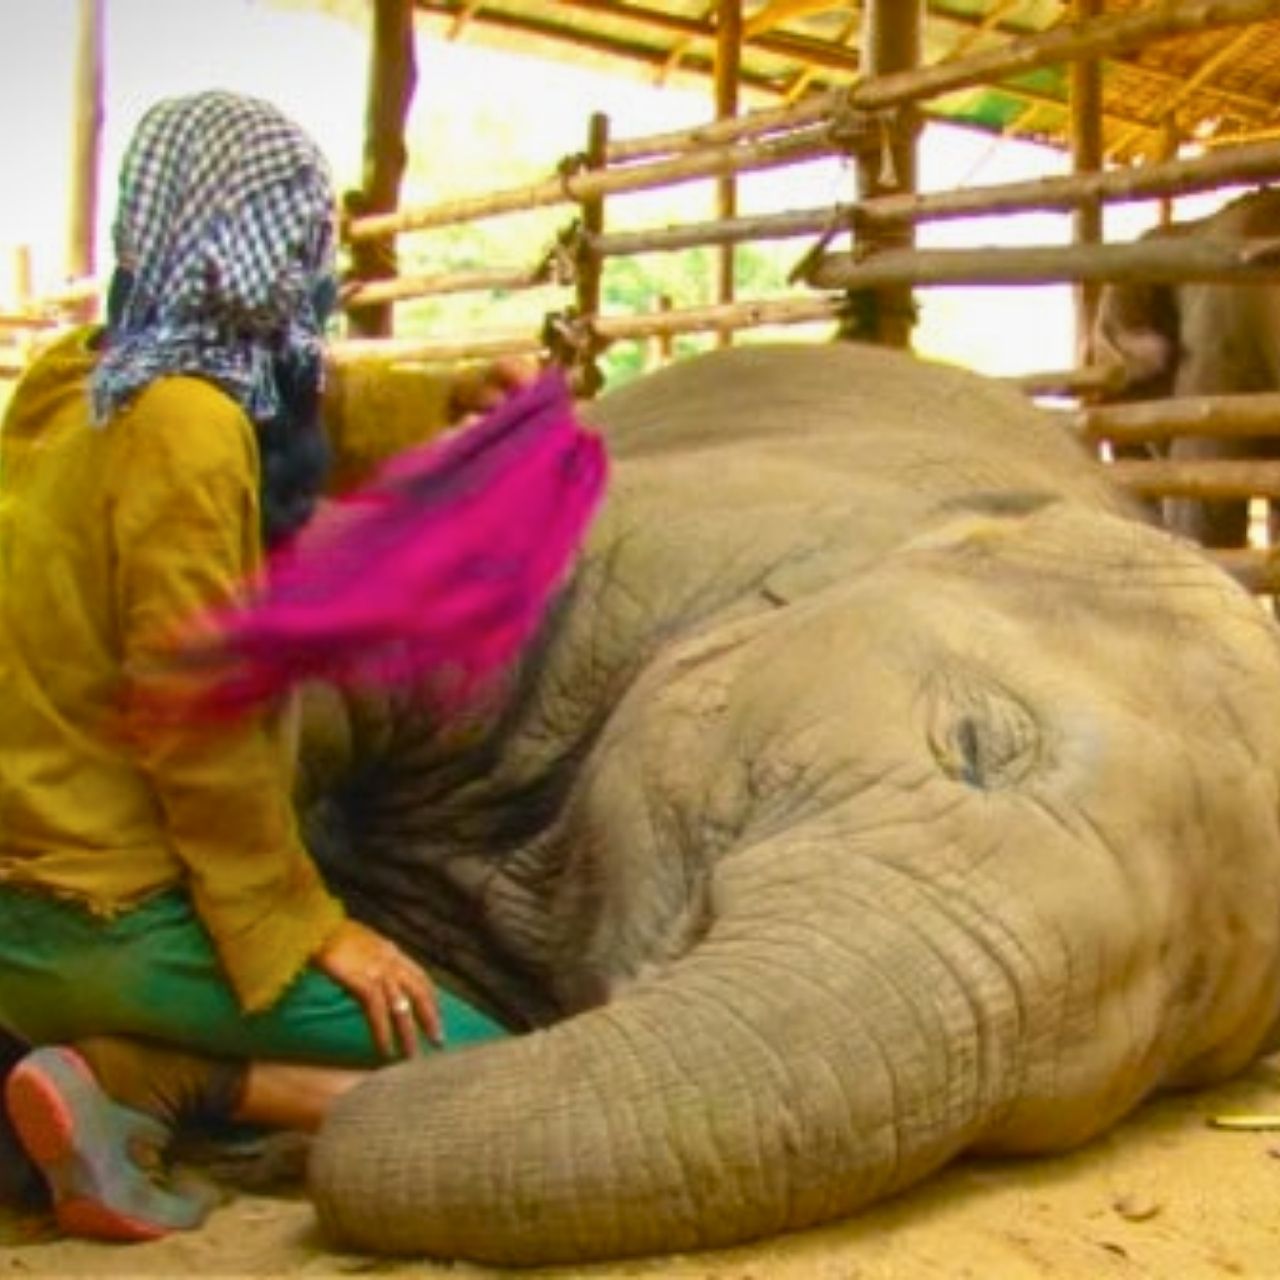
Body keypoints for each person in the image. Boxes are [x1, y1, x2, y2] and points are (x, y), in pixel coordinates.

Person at [0, 90, 513, 1242]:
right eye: (300, 233)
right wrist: (306, 921)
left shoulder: (63, 387)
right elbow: (193, 713)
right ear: (269, 246)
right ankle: (162, 1075)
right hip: (112, 924)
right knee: (495, 1074)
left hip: (16, 911)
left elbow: (296, 409)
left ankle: (89, 1078)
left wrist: (442, 399)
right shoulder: (187, 426)